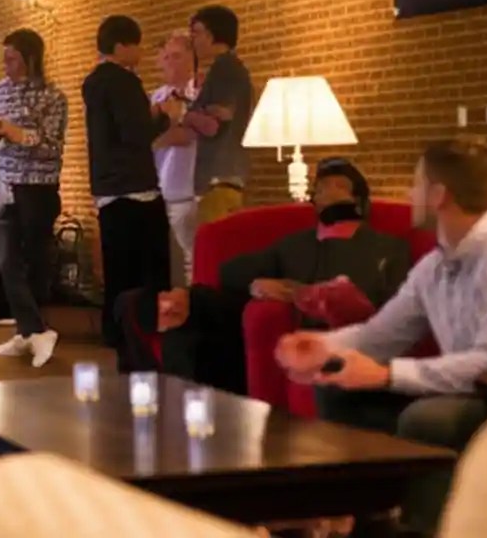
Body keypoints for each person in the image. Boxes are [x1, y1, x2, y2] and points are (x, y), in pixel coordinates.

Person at [276, 136, 487, 536]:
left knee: (428, 417)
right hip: (464, 388)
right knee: (335, 385)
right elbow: (382, 334)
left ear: (439, 195)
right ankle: (371, 523)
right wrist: (322, 347)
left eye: (417, 184)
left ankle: (429, 530)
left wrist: (387, 375)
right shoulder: (434, 265)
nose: (410, 194)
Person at [118, 157, 410, 395]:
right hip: (301, 339)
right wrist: (258, 284)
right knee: (153, 316)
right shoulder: (295, 245)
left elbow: (397, 308)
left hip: (361, 340)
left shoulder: (387, 247)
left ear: (359, 202)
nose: (329, 193)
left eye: (339, 188)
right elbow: (228, 272)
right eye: (322, 189)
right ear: (314, 201)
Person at [82, 15, 177, 362]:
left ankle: (116, 330)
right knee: (147, 269)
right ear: (122, 46)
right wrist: (163, 115)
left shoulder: (94, 83)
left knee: (117, 268)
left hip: (107, 188)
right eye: (136, 45)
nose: (139, 53)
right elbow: (135, 133)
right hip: (135, 188)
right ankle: (142, 332)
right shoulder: (123, 82)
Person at [0, 29, 68, 368]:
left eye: (13, 59)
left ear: (31, 58)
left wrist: (17, 133)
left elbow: (53, 144)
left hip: (37, 186)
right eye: (4, 58)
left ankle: (30, 332)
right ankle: (33, 331)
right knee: (6, 261)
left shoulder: (52, 97)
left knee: (35, 261)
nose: (6, 65)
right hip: (4, 184)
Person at [183, 5, 252, 226]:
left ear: (213, 35)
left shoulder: (225, 68)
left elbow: (214, 124)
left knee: (216, 252)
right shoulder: (226, 68)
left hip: (219, 180)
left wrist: (184, 114)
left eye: (197, 33)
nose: (193, 40)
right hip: (223, 180)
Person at [149, 31, 199, 286]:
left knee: (193, 258)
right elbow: (144, 139)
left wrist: (163, 133)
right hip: (161, 189)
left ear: (192, 57)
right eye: (166, 57)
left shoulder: (200, 93)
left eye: (177, 56)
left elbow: (187, 135)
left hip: (190, 189)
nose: (171, 63)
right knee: (163, 262)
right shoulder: (156, 97)